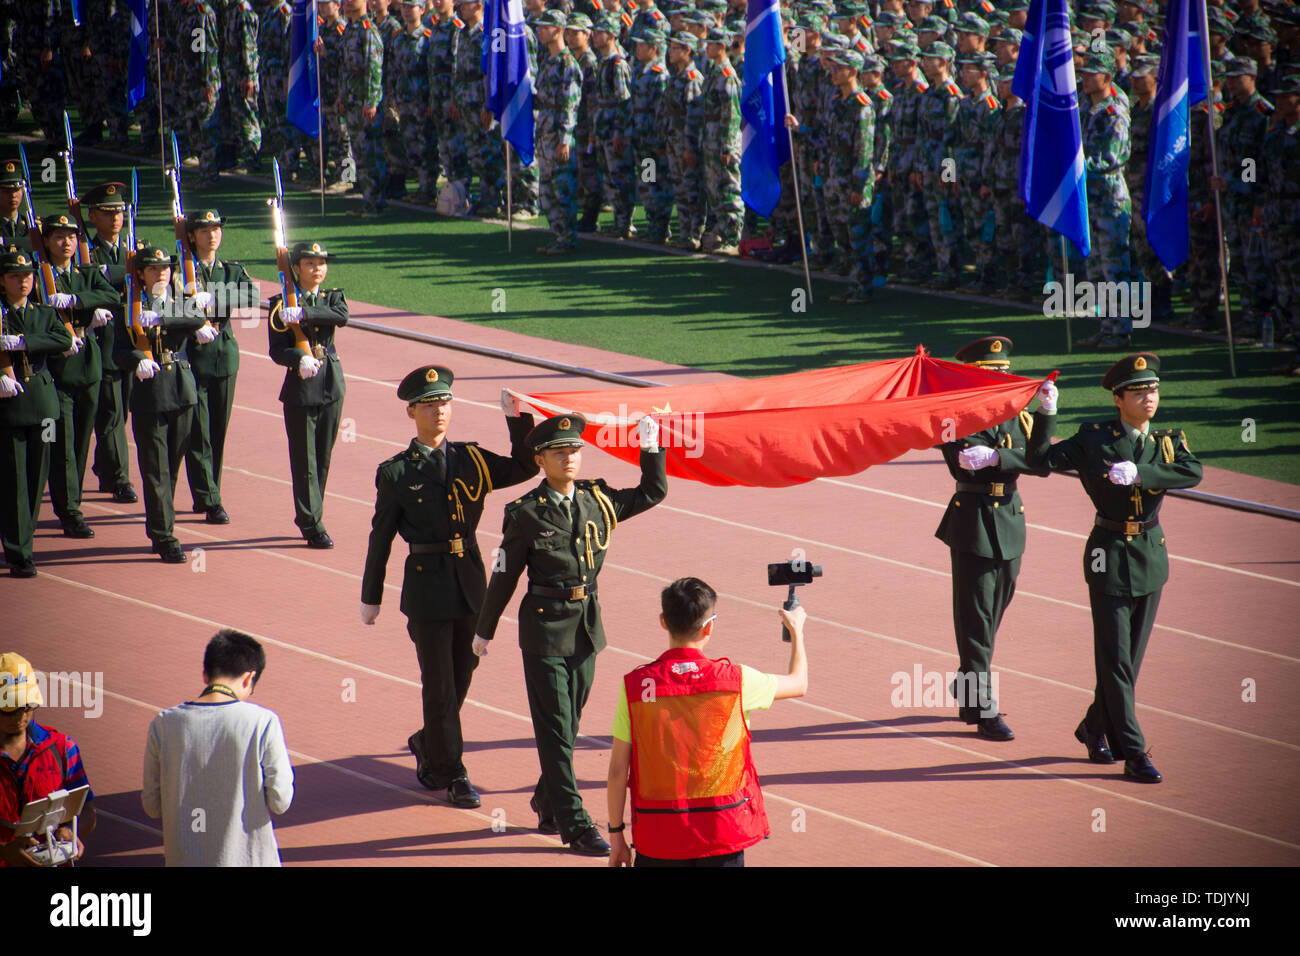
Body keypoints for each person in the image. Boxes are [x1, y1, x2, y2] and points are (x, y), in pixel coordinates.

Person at [474, 412, 667, 856]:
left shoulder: (597, 500)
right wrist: (485, 629)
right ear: (539, 458)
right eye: (559, 451)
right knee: (556, 728)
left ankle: (546, 799)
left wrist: (651, 442)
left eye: (575, 449)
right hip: (543, 628)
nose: (569, 457)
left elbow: (653, 491)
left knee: (570, 724)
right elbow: (503, 575)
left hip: (585, 627)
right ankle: (573, 821)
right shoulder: (524, 514)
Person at [360, 366, 537, 807]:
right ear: (411, 411)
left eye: (445, 402)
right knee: (438, 685)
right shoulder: (396, 473)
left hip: (471, 582)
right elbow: (380, 536)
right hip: (427, 589)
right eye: (430, 404)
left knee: (461, 678)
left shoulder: (471, 459)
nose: (440, 411)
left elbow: (524, 466)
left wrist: (519, 420)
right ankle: (453, 772)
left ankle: (427, 740)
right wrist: (371, 594)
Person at [1026, 353, 1202, 783]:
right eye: (1139, 391)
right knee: (1115, 660)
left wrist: (1141, 472)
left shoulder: (1165, 441)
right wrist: (1046, 413)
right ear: (1118, 398)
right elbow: (1040, 463)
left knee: (1129, 663)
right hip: (1108, 555)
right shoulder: (1094, 439)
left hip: (1150, 557)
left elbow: (1192, 472)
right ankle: (1134, 751)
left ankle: (1093, 727)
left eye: (1154, 389)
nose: (1149, 398)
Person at [607, 578, 807, 867]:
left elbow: (617, 771)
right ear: (709, 626)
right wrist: (797, 631)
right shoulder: (736, 681)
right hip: (722, 831)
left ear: (663, 621)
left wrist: (616, 837)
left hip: (659, 837)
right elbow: (799, 683)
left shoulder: (637, 687)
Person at [934, 337, 1055, 741]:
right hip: (974, 522)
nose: (1002, 377)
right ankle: (984, 707)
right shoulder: (955, 416)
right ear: (972, 374)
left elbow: (1041, 464)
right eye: (992, 371)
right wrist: (1002, 460)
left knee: (991, 617)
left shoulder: (1016, 415)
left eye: (1005, 370)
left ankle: (967, 684)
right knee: (975, 622)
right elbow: (964, 461)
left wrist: (1045, 413)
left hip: (1011, 521)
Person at [142, 630, 294, 866]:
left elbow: (152, 805)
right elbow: (280, 800)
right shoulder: (263, 722)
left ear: (205, 675)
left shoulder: (164, 723)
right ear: (248, 678)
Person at [113, 245, 205, 564]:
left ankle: (160, 525)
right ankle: (164, 535)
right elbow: (119, 352)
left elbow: (195, 317)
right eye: (154, 269)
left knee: (173, 466)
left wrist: (160, 314)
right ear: (140, 274)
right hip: (150, 394)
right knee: (156, 470)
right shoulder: (129, 308)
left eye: (166, 268)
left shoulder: (181, 303)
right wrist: (137, 358)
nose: (162, 273)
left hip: (181, 390)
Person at [39, 213, 118, 540]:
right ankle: (69, 510)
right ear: (46, 241)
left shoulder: (84, 273)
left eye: (71, 236)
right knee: (63, 444)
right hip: (57, 368)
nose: (66, 242)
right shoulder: (38, 277)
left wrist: (78, 301)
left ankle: (72, 501)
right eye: (58, 236)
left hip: (88, 365)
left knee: (82, 441)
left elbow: (113, 295)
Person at [268, 241, 348, 549]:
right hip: (301, 387)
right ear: (296, 268)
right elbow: (276, 350)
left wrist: (304, 312)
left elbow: (341, 316)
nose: (318, 269)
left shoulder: (332, 298)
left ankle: (314, 514)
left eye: (322, 263)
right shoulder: (280, 302)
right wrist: (298, 358)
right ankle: (311, 522)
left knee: (323, 458)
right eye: (311, 263)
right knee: (304, 460)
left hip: (330, 383)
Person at [1, 249, 75, 578]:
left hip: (46, 409)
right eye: (16, 276)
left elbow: (62, 339)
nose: (24, 280)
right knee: (15, 479)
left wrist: (23, 342)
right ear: (3, 281)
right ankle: (19, 551)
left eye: (28, 275)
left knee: (37, 476)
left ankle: (24, 537)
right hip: (11, 409)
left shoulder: (43, 313)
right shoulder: (2, 314)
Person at [183, 209, 254, 526]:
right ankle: (210, 499)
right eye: (204, 230)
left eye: (216, 229)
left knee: (217, 431)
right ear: (191, 236)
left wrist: (210, 296)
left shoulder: (230, 269)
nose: (212, 235)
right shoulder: (180, 270)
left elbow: (250, 295)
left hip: (223, 354)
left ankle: (209, 490)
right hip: (192, 354)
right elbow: (163, 300)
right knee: (198, 431)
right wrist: (190, 309)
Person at [1, 652, 97, 867]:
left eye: (27, 706)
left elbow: (87, 810)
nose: (21, 716)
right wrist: (5, 852)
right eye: (10, 709)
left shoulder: (63, 748)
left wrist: (71, 831)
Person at [84, 181, 140, 505]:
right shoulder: (86, 252)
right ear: (93, 216)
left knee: (125, 409)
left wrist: (114, 271)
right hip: (104, 343)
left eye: (119, 212)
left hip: (131, 339)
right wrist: (122, 273)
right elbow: (93, 278)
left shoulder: (132, 246)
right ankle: (119, 478)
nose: (116, 218)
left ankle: (105, 465)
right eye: (108, 213)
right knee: (111, 413)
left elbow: (145, 275)